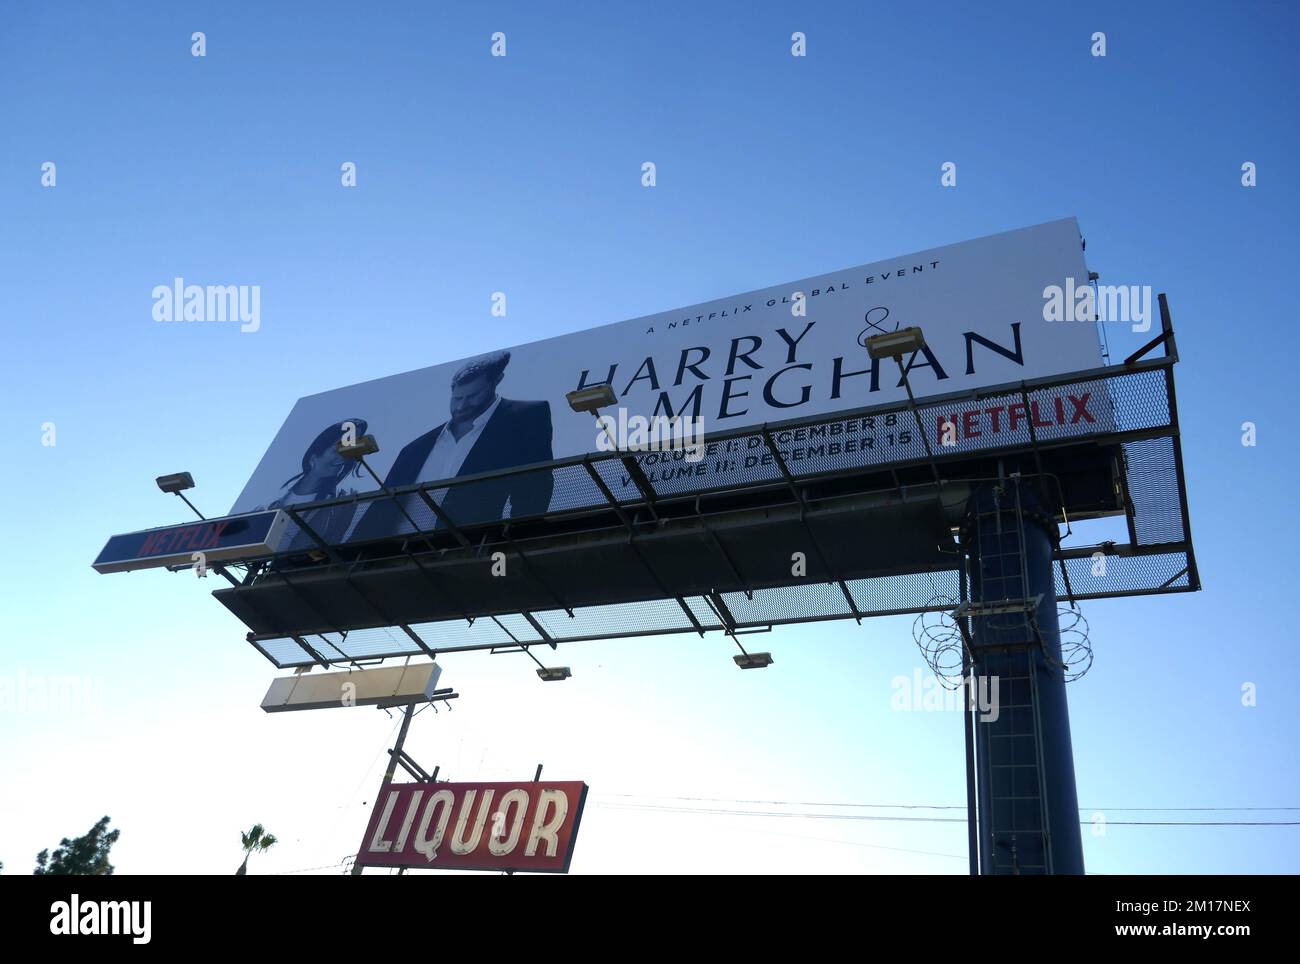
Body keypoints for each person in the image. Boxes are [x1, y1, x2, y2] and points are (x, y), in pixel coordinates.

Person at [351, 351, 553, 541]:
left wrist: (522, 538)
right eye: (457, 398)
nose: (461, 406)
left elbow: (535, 484)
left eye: (472, 396)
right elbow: (381, 508)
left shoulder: (526, 416)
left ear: (496, 381)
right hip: (396, 551)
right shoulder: (415, 448)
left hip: (467, 546)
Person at [256, 418, 368, 549]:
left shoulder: (343, 502)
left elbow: (341, 541)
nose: (342, 458)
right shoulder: (270, 502)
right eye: (337, 450)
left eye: (347, 451)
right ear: (314, 457)